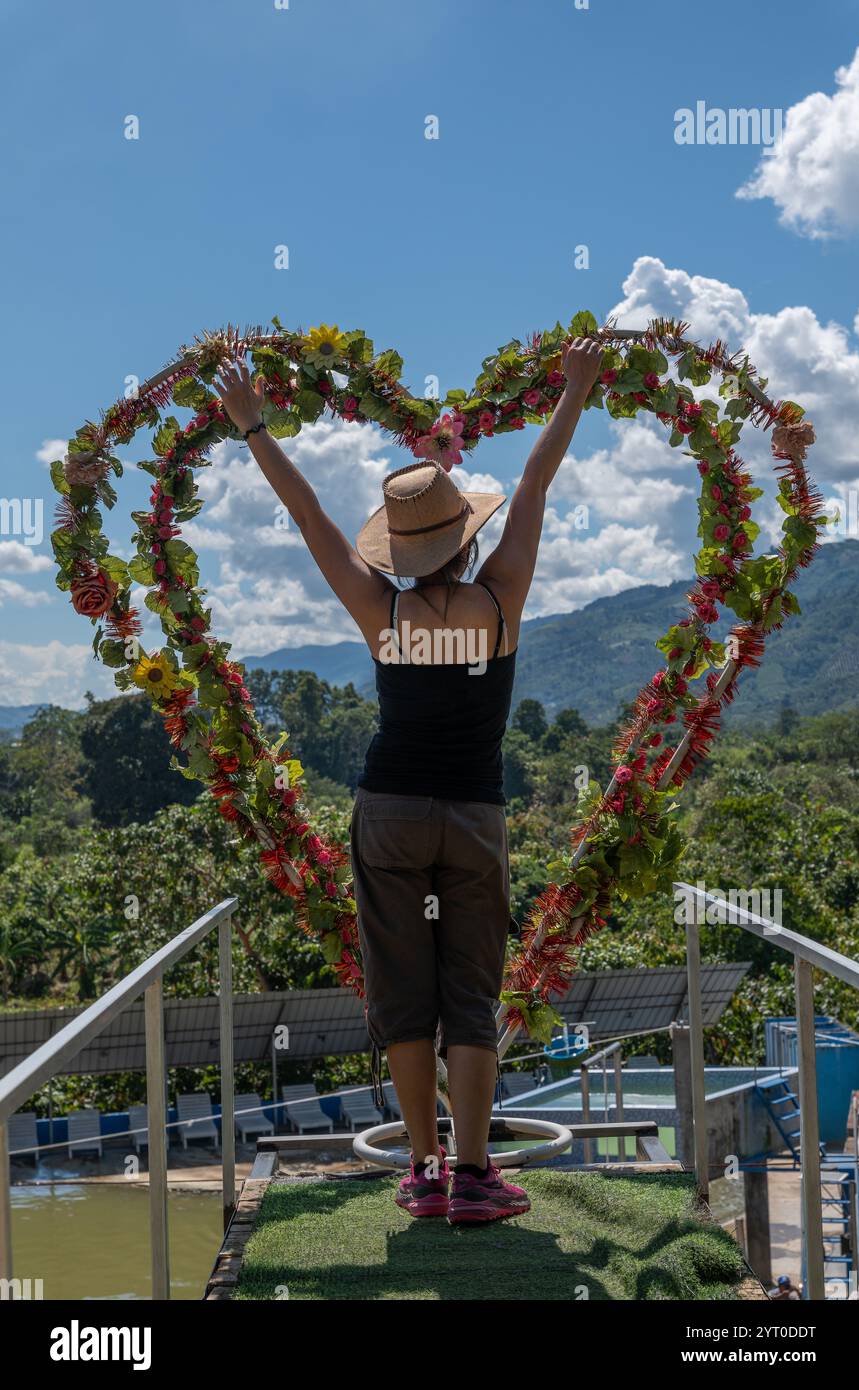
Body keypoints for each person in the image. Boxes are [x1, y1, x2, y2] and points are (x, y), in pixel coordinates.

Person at [214, 336, 603, 1223]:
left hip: (388, 813)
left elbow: (309, 515)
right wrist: (574, 390)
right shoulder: (499, 598)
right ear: (465, 541)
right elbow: (535, 485)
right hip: (473, 817)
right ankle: (473, 1175)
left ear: (400, 548)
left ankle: (422, 1172)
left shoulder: (379, 607)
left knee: (403, 993)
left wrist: (254, 430)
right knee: (470, 994)